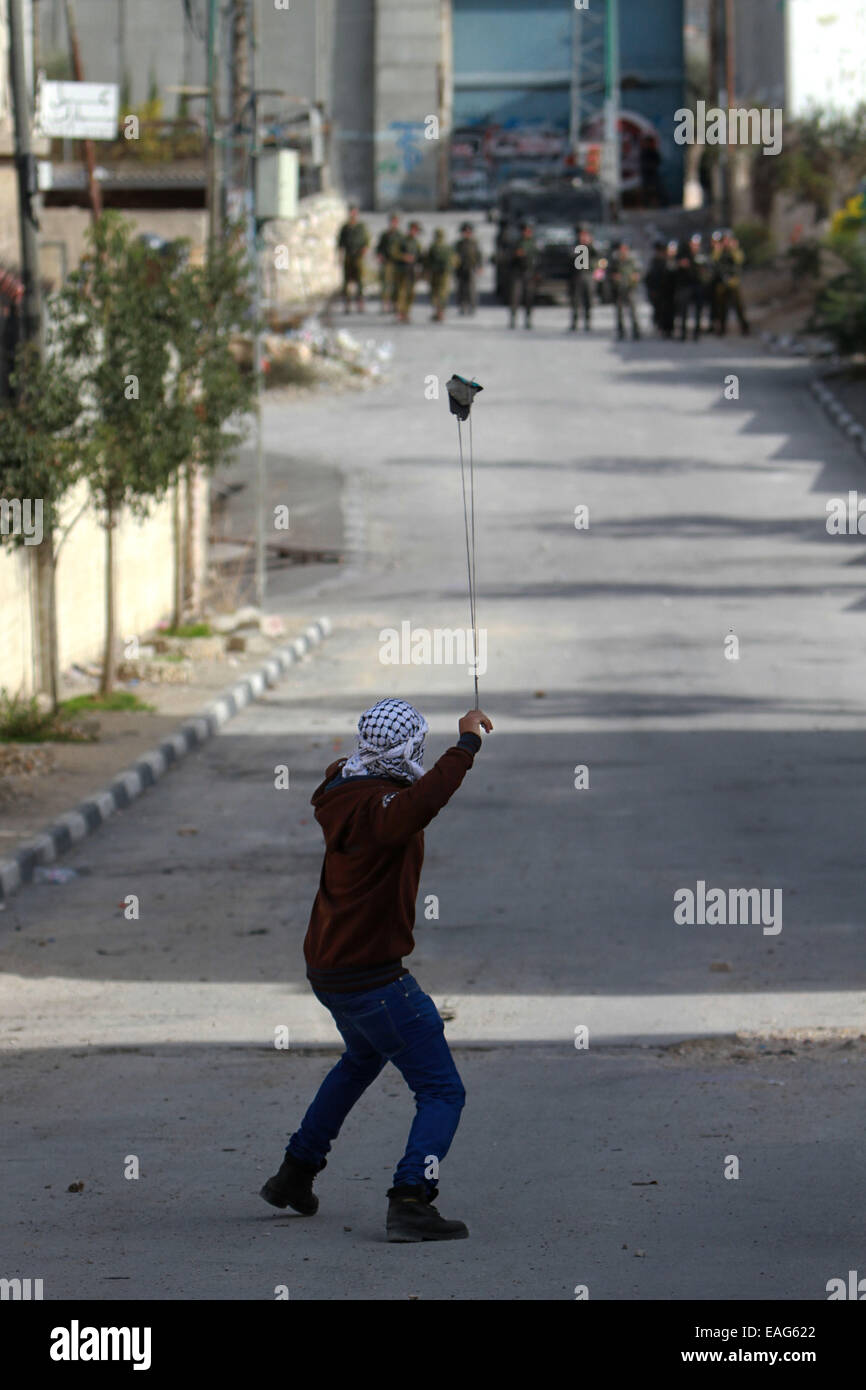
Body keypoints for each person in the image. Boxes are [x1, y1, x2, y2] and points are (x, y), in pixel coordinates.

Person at [260, 699, 494, 1243]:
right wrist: (465, 746)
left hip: (329, 969)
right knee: (442, 1091)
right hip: (373, 979)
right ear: (408, 748)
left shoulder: (345, 787)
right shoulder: (383, 810)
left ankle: (295, 1174)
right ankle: (411, 1198)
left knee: (362, 1057)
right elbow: (423, 801)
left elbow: (399, 790)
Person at [712, 231, 750, 336]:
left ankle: (745, 328)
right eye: (724, 240)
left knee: (739, 307)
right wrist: (717, 250)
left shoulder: (735, 251)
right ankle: (722, 329)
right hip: (722, 284)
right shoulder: (719, 251)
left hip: (733, 283)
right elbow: (714, 263)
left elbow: (739, 261)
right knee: (721, 308)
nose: (726, 242)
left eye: (728, 240)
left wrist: (734, 249)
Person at [336, 204, 370, 313]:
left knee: (360, 281)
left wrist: (365, 249)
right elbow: (340, 243)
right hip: (348, 256)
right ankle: (347, 305)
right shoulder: (345, 227)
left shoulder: (361, 227)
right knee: (347, 282)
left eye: (354, 212)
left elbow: (367, 240)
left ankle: (360, 304)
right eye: (351, 212)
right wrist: (340, 255)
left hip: (358, 257)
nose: (353, 214)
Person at [608, 239, 641, 341]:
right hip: (618, 288)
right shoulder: (615, 260)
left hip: (630, 287)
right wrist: (614, 278)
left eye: (625, 248)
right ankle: (621, 330)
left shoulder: (633, 260)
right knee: (619, 311)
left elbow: (638, 272)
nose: (623, 250)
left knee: (633, 310)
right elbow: (609, 273)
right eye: (622, 248)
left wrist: (636, 277)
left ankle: (636, 331)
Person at [508, 220, 537, 329]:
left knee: (529, 298)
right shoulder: (517, 243)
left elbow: (537, 259)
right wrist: (516, 255)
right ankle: (513, 319)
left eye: (529, 231)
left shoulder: (533, 244)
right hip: (518, 274)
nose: (527, 233)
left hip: (529, 273)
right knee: (515, 297)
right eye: (525, 231)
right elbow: (509, 258)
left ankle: (528, 320)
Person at [569, 224, 598, 332]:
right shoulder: (575, 246)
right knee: (576, 299)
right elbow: (571, 259)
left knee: (589, 299)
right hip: (577, 275)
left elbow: (598, 258)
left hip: (589, 275)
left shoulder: (592, 247)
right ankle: (574, 321)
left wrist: (589, 245)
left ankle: (588, 321)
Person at [395, 220, 424, 323]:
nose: (415, 232)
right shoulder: (402, 240)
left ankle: (407, 312)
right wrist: (404, 257)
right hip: (402, 269)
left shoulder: (416, 243)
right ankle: (400, 313)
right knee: (401, 292)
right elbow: (394, 252)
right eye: (414, 230)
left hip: (412, 270)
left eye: (417, 231)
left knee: (411, 292)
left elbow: (420, 256)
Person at [644, 239, 674, 338]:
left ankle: (667, 329)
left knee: (668, 311)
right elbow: (650, 277)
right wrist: (651, 289)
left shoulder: (669, 261)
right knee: (659, 310)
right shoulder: (655, 262)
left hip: (668, 291)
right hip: (658, 290)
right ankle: (661, 327)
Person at [375, 212, 403, 314]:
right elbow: (379, 248)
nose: (393, 224)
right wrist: (379, 255)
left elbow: (404, 249)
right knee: (385, 284)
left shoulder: (400, 235)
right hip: (387, 262)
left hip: (397, 263)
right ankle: (385, 305)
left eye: (395, 222)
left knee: (397, 285)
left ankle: (395, 305)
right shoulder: (385, 235)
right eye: (392, 221)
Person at [453, 221, 482, 315]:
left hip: (471, 268)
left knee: (471, 289)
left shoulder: (474, 243)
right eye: (465, 231)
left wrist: (479, 267)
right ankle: (462, 306)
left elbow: (479, 256)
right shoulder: (458, 244)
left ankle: (472, 306)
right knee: (461, 289)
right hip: (460, 269)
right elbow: (454, 256)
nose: (467, 233)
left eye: (468, 232)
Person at [426, 228, 454, 322]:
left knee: (436, 293)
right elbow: (455, 260)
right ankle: (440, 313)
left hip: (435, 273)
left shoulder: (433, 247)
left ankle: (438, 313)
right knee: (442, 293)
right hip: (445, 274)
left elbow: (427, 260)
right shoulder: (448, 247)